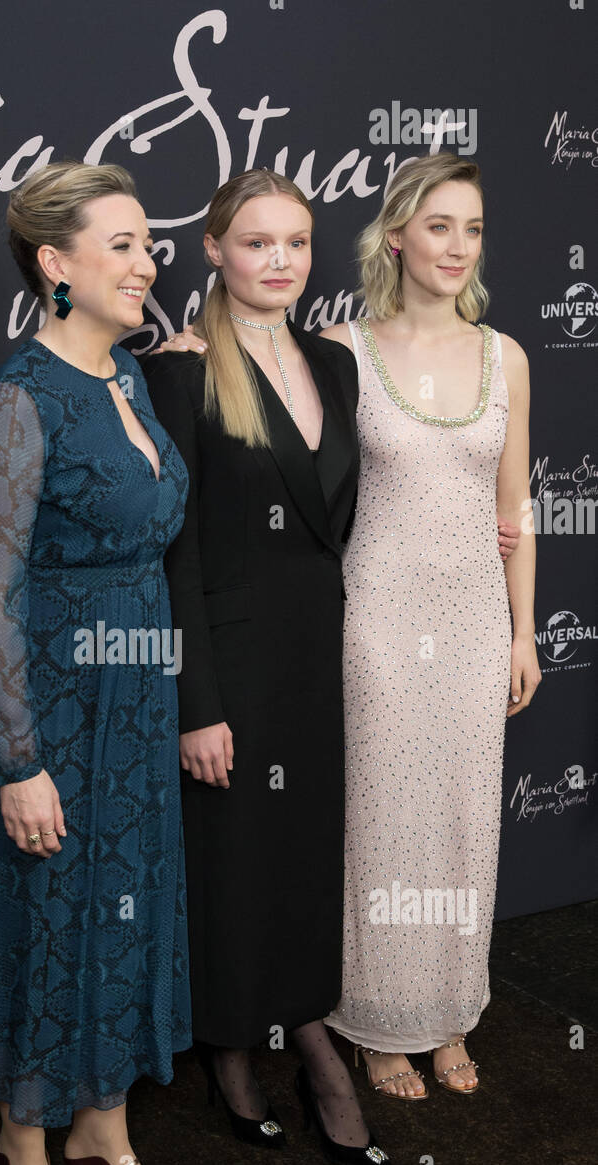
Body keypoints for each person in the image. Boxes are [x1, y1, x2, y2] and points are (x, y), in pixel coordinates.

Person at [0, 161, 203, 1165]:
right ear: (55, 265)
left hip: (133, 695)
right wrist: (18, 758)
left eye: (148, 242)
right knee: (36, 913)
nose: (146, 261)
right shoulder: (18, 401)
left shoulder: (130, 380)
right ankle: (25, 1142)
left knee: (120, 903)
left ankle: (105, 1128)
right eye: (121, 244)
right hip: (44, 700)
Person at [143, 170, 392, 1165]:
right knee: (234, 861)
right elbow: (178, 552)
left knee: (300, 856)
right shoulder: (177, 371)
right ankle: (232, 1045)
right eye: (256, 243)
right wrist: (195, 704)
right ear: (213, 249)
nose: (280, 261)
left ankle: (307, 1029)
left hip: (319, 658)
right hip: (232, 661)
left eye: (295, 242)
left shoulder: (335, 361)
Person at [318, 152, 539, 1098]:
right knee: (381, 820)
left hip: (475, 621)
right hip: (374, 616)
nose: (457, 246)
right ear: (396, 234)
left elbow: (514, 511)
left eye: (473, 228)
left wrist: (524, 632)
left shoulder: (506, 355)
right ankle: (376, 1022)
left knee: (459, 821)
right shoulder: (341, 348)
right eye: (439, 225)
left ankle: (448, 1010)